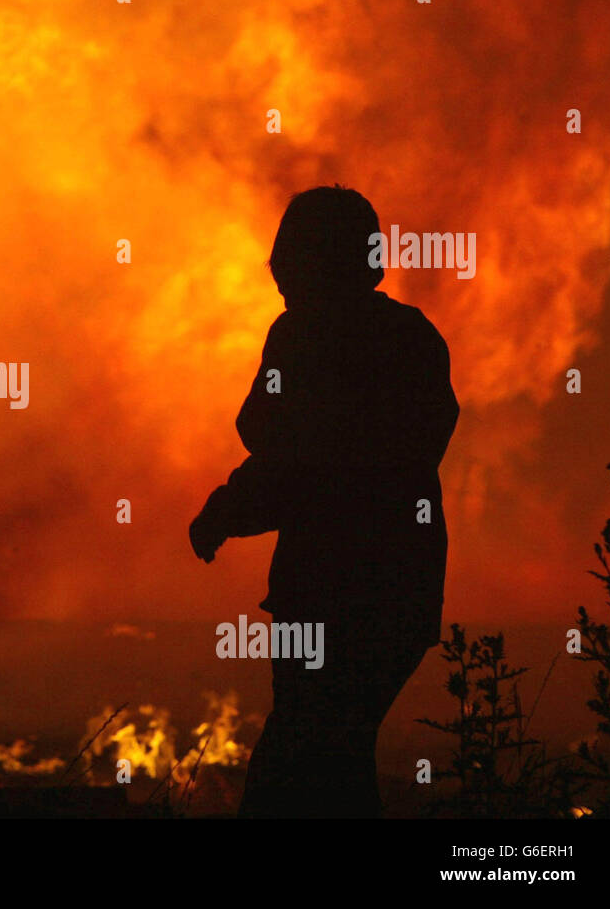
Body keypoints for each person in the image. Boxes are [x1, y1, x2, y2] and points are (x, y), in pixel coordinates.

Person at [189, 185, 459, 817]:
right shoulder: (413, 337)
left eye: (290, 261)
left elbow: (291, 456)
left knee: (296, 766)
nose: (280, 276)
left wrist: (225, 512)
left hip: (329, 591)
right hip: (403, 594)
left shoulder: (305, 336)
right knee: (336, 759)